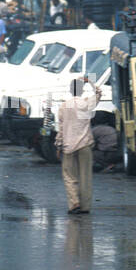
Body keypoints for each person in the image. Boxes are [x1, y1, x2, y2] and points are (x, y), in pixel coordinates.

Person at [56, 77, 100, 215]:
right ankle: (85, 207)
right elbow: (98, 93)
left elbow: (61, 127)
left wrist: (58, 145)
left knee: (69, 176)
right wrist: (90, 81)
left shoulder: (64, 106)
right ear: (82, 91)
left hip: (68, 146)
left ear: (70, 90)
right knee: (85, 176)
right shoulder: (86, 104)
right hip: (85, 145)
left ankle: (74, 202)